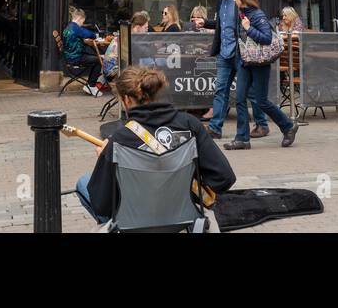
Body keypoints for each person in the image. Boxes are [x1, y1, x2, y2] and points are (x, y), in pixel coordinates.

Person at [75, 66, 237, 225]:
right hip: (183, 217)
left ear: (127, 99)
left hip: (134, 221)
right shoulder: (189, 125)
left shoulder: (119, 139)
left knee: (84, 182)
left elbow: (101, 205)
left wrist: (103, 159)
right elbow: (224, 178)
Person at [222, 0, 299, 150]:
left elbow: (266, 39)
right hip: (245, 61)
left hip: (260, 63)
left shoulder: (258, 15)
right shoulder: (241, 13)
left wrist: (249, 29)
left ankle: (288, 126)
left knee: (261, 101)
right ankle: (242, 138)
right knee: (240, 98)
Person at [205, 0, 240, 139]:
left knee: (250, 91)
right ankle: (215, 128)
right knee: (220, 90)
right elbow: (220, 25)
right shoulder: (221, 1)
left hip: (240, 52)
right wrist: (205, 23)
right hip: (224, 53)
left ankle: (261, 124)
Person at [62, 7, 105, 96]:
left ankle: (90, 84)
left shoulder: (69, 26)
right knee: (98, 60)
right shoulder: (75, 28)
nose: (82, 24)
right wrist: (94, 36)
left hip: (70, 56)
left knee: (95, 57)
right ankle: (91, 85)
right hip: (75, 58)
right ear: (79, 18)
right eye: (82, 21)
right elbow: (90, 34)